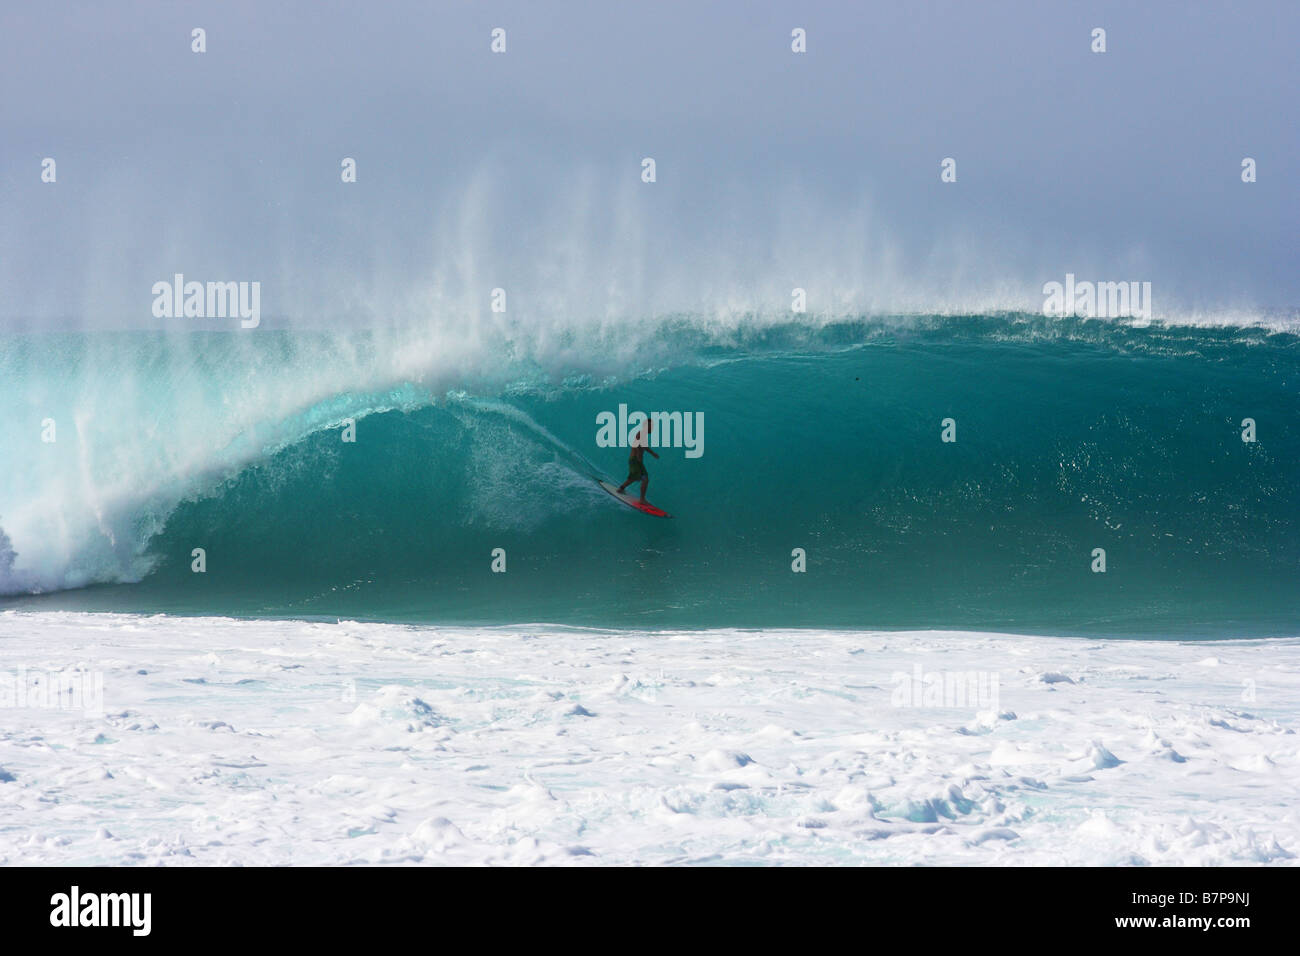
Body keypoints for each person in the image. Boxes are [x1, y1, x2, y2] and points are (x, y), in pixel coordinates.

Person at [617, 419, 658, 503]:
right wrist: (638, 454)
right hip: (635, 460)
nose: (652, 428)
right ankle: (642, 499)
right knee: (645, 479)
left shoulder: (644, 435)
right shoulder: (641, 433)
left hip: (636, 461)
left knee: (634, 477)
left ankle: (620, 489)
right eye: (651, 426)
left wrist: (653, 453)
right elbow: (635, 444)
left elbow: (645, 446)